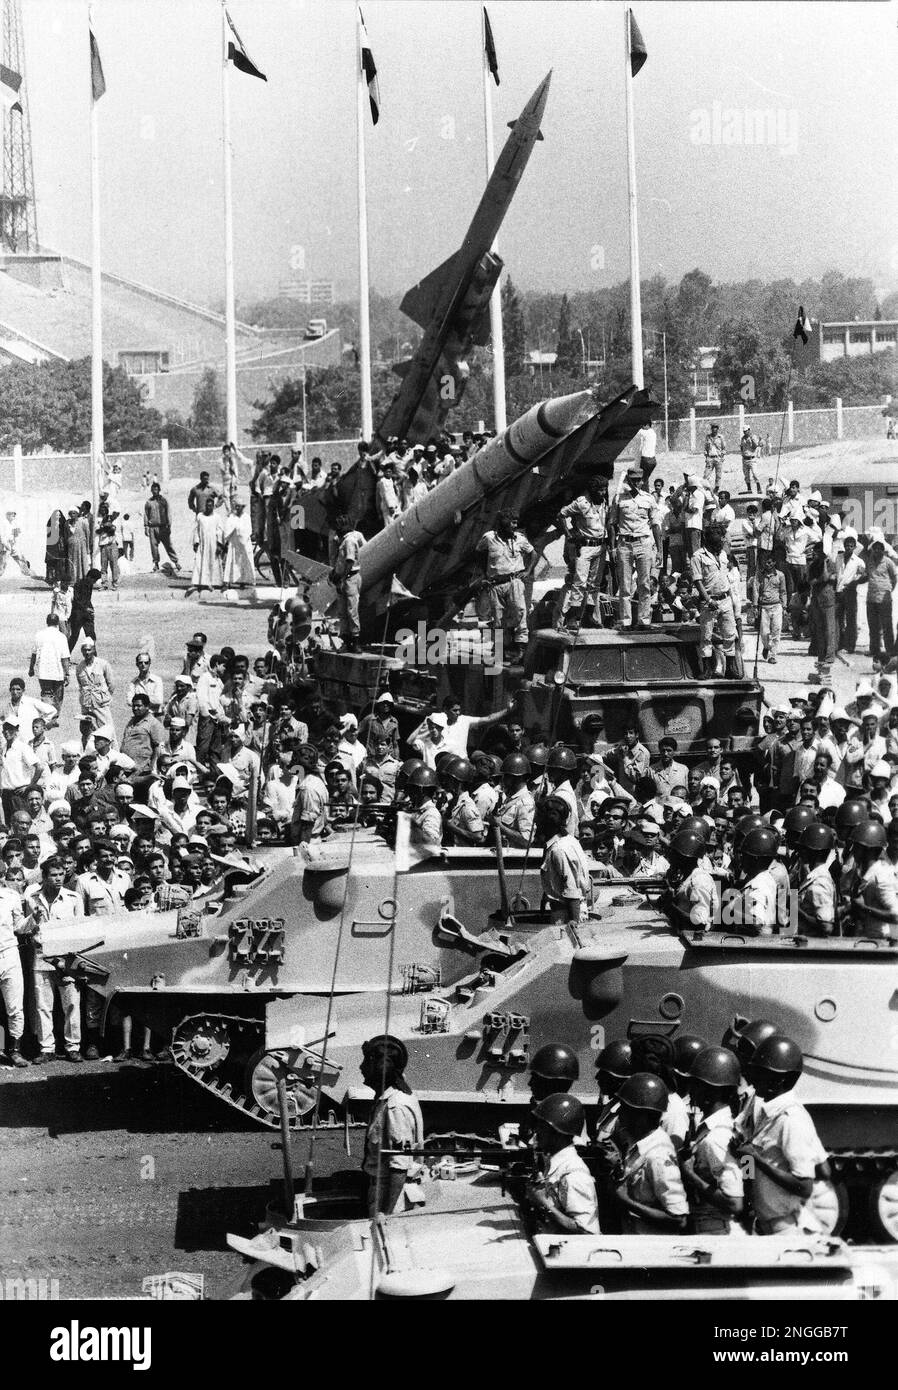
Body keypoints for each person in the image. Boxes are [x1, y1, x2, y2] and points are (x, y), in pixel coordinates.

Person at [737, 1035, 830, 1235]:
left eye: (760, 1074)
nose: (753, 1080)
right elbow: (748, 1154)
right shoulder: (765, 1111)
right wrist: (746, 1158)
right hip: (762, 1224)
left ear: (777, 1081)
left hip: (785, 1230)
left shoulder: (790, 1119)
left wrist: (756, 1159)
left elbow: (805, 1187)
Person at [25, 855, 84, 1063]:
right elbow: (28, 929)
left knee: (71, 1005)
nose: (58, 878)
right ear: (44, 876)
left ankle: (73, 1046)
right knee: (43, 1005)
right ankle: (47, 1048)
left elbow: (81, 929)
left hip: (67, 959)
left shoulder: (73, 898)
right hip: (41, 958)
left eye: (61, 874)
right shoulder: (32, 898)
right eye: (53, 875)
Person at [681, 1046, 744, 1234]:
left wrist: (689, 1174)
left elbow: (734, 1203)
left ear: (712, 1091)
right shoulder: (715, 1130)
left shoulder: (715, 1138)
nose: (690, 1090)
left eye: (696, 1084)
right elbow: (737, 1174)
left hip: (715, 1230)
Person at [615, 1073, 689, 1233]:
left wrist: (626, 1201)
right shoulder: (640, 1146)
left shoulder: (658, 1155)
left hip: (654, 1250)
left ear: (641, 1116)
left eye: (625, 1109)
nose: (620, 1114)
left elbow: (679, 1219)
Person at [360, 1035, 424, 1217]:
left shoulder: (395, 1107)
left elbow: (399, 1167)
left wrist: (387, 1215)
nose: (362, 1068)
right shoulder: (387, 1099)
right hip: (385, 1192)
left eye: (367, 1062)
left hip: (391, 1200)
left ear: (381, 1068)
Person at [523, 1094, 599, 1235]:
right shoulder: (553, 1163)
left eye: (541, 1126)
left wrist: (544, 1203)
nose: (536, 1131)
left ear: (558, 1131)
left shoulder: (575, 1176)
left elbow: (587, 1232)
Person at [475, 510, 535, 661]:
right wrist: (485, 574)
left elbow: (533, 554)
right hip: (495, 584)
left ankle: (520, 649)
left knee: (520, 613)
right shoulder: (489, 538)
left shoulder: (520, 539)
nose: (515, 526)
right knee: (498, 618)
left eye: (516, 522)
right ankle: (500, 650)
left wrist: (527, 571)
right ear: (503, 522)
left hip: (514, 582)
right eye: (512, 522)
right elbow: (478, 554)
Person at [555, 477, 609, 632]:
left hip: (600, 546)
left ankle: (589, 616)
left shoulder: (604, 502)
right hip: (584, 547)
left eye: (604, 489)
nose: (603, 492)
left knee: (594, 583)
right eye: (600, 490)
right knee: (580, 583)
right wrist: (569, 535)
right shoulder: (581, 502)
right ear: (592, 490)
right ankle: (572, 617)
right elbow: (561, 515)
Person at [610, 469, 660, 629]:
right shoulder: (619, 498)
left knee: (644, 584)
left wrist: (659, 550)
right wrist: (612, 548)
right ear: (628, 480)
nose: (635, 483)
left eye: (638, 480)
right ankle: (625, 620)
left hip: (643, 542)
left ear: (643, 481)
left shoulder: (649, 499)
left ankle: (644, 620)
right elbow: (612, 524)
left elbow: (656, 525)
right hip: (624, 543)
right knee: (624, 585)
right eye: (632, 480)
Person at [692, 523, 738, 677]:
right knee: (706, 636)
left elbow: (726, 578)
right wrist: (707, 600)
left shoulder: (724, 555)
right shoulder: (698, 556)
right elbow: (698, 581)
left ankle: (731, 668)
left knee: (730, 633)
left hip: (725, 599)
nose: (719, 543)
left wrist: (732, 600)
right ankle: (707, 669)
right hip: (709, 600)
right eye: (716, 540)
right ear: (708, 539)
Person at [538, 796, 592, 921]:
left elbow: (572, 891)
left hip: (566, 914)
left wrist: (573, 924)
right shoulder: (568, 841)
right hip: (563, 910)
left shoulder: (559, 849)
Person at [331, 513, 366, 653]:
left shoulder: (349, 541)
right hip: (344, 578)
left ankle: (355, 642)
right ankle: (346, 641)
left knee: (352, 611)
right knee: (343, 612)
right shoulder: (351, 538)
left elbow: (350, 562)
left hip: (349, 578)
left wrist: (342, 579)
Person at [865, 537, 898, 670]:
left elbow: (894, 578)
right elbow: (867, 575)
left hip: (884, 599)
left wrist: (888, 589)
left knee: (887, 626)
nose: (877, 551)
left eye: (880, 549)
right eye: (875, 548)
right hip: (871, 598)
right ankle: (874, 649)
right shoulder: (869, 561)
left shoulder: (888, 562)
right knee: (873, 626)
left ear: (883, 551)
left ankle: (890, 650)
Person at [29, 614, 71, 712]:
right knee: (58, 697)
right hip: (57, 673)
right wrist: (67, 673)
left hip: (43, 672)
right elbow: (65, 658)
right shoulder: (61, 637)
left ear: (47, 622)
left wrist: (31, 668)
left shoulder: (39, 635)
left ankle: (47, 717)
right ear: (57, 623)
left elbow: (34, 654)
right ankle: (54, 718)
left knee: (46, 696)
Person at [75, 638, 115, 731]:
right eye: (84, 650)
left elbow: (111, 684)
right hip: (86, 704)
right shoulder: (79, 667)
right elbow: (81, 685)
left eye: (89, 650)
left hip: (100, 703)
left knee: (107, 729)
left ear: (94, 650)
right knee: (87, 731)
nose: (87, 652)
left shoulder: (103, 664)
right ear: (81, 651)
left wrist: (104, 697)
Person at [143, 483, 181, 573]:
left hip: (163, 527)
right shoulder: (148, 502)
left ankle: (176, 562)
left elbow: (168, 513)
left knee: (168, 545)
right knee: (154, 547)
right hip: (152, 527)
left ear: (159, 490)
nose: (155, 491)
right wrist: (146, 527)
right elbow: (146, 514)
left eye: (156, 489)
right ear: (151, 490)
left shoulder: (164, 501)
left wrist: (169, 525)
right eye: (153, 489)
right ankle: (156, 564)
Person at [190, 497, 224, 595]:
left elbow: (220, 531)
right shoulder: (200, 516)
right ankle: (201, 582)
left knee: (212, 562)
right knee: (201, 562)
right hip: (203, 544)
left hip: (213, 544)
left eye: (211, 506)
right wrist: (196, 542)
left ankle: (211, 583)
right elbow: (196, 530)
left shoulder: (217, 517)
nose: (209, 507)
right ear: (205, 506)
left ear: (213, 506)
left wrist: (219, 544)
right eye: (207, 506)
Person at [757, 553, 786, 664]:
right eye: (765, 562)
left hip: (776, 605)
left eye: (769, 562)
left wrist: (784, 606)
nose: (767, 564)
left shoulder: (780, 575)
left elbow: (783, 592)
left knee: (776, 630)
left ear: (774, 563)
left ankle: (772, 655)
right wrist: (755, 605)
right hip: (764, 607)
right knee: (764, 632)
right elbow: (756, 590)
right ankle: (766, 646)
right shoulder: (760, 575)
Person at [222, 501, 255, 590]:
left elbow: (249, 530)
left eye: (239, 506)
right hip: (234, 543)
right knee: (231, 561)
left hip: (244, 542)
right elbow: (227, 528)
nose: (237, 508)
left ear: (242, 507)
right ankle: (228, 582)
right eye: (236, 506)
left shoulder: (246, 517)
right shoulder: (232, 517)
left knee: (243, 562)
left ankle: (243, 581)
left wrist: (240, 531)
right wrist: (234, 529)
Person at [633, 421, 658, 485]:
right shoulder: (653, 433)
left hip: (645, 460)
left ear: (647, 425)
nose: (642, 427)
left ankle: (638, 489)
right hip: (653, 461)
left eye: (643, 425)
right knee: (645, 479)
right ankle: (644, 488)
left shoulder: (643, 432)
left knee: (639, 478)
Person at [703, 422, 725, 491]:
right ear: (711, 429)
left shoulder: (720, 437)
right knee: (706, 474)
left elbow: (724, 448)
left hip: (718, 457)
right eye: (713, 428)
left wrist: (722, 456)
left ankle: (717, 488)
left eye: (716, 428)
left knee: (718, 475)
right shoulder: (708, 437)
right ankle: (706, 487)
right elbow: (706, 448)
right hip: (710, 458)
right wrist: (706, 457)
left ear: (717, 429)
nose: (714, 430)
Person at [740, 426, 762, 493]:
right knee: (746, 475)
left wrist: (751, 440)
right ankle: (749, 488)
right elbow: (741, 446)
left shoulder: (753, 437)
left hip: (752, 458)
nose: (745, 432)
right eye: (744, 431)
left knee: (755, 473)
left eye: (746, 431)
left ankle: (758, 487)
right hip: (745, 458)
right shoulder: (743, 438)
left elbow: (755, 446)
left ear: (749, 430)